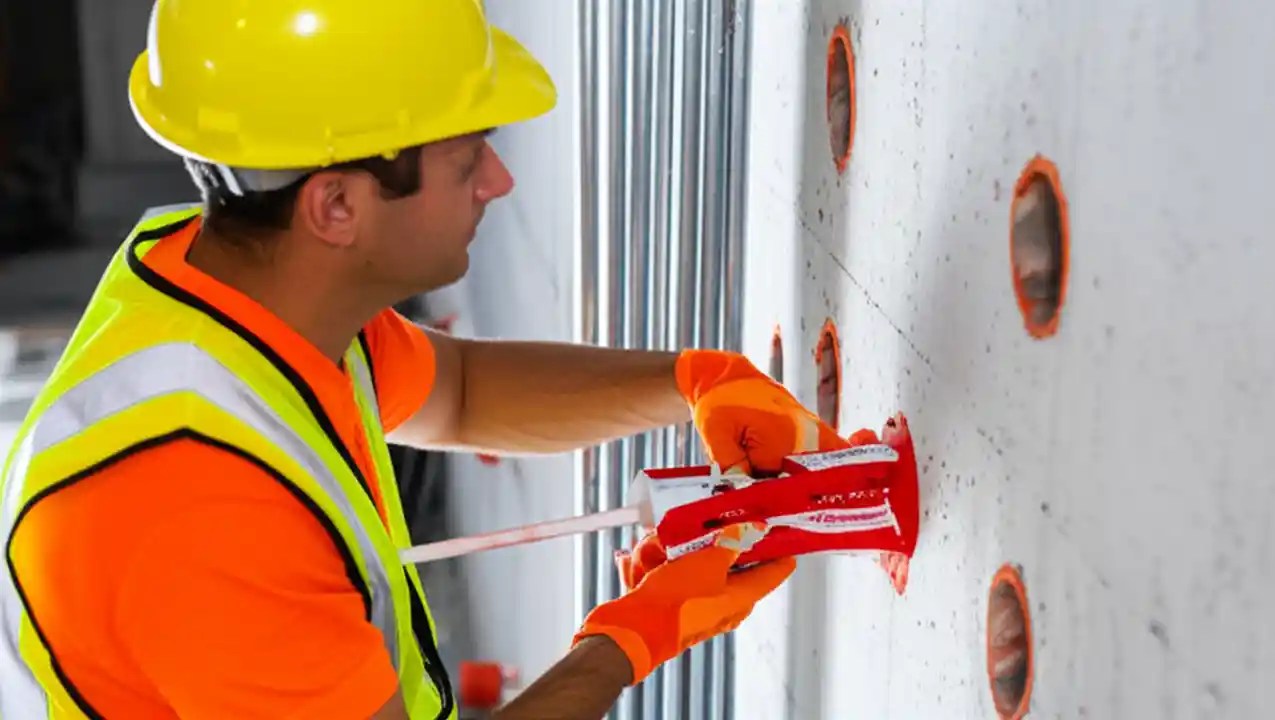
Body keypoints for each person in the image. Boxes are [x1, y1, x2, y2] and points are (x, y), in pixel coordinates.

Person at [0, 2, 849, 718]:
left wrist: (695, 382)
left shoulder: (244, 290)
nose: (500, 180)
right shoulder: (195, 517)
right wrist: (632, 639)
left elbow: (465, 393)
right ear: (336, 203)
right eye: (464, 158)